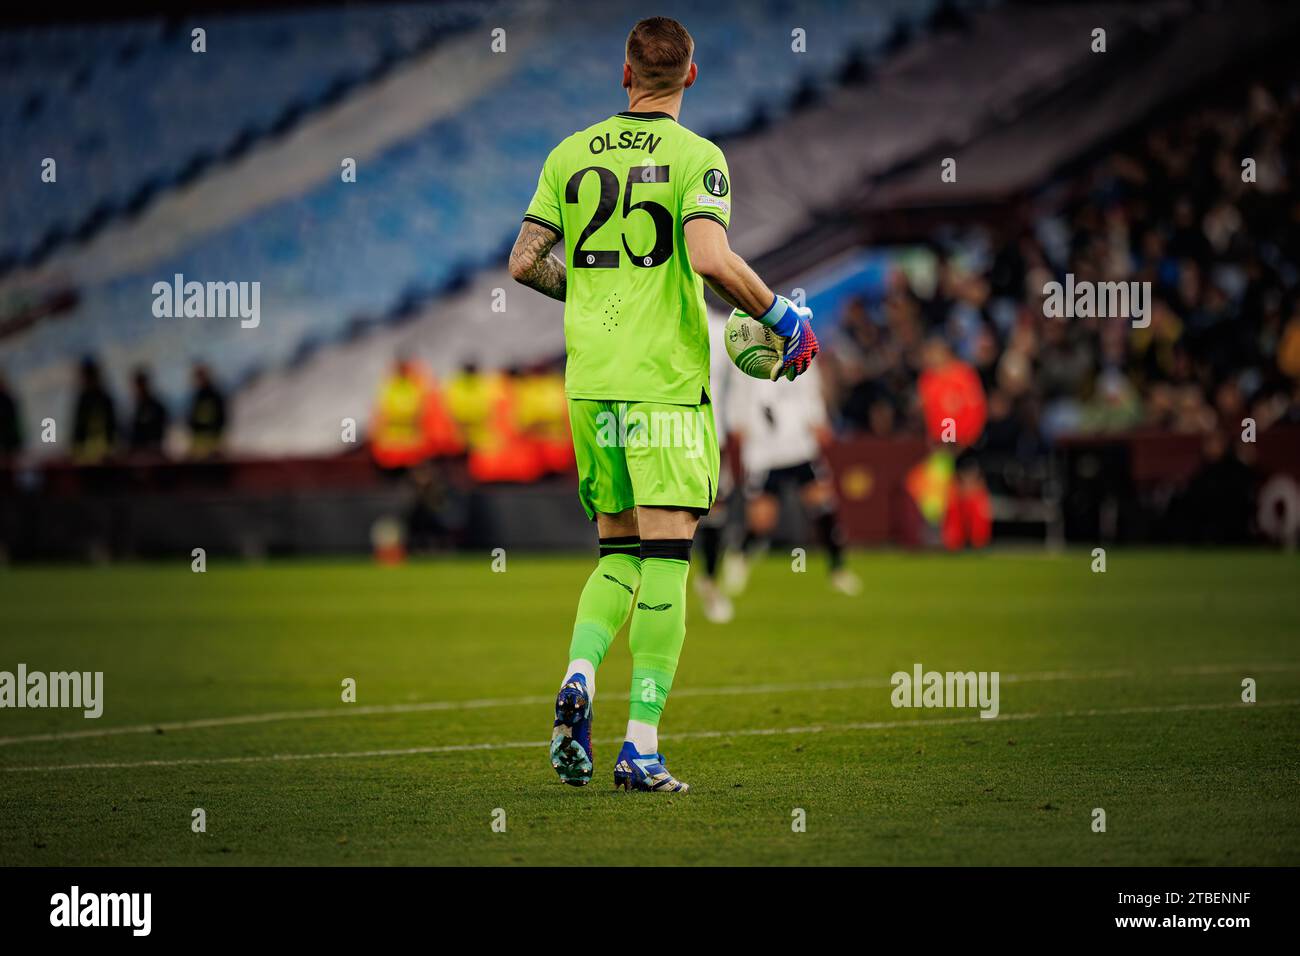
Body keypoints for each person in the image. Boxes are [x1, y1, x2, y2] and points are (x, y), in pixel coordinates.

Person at [509, 16, 819, 793]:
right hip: (663, 385)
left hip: (592, 384)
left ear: (624, 73)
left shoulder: (568, 153)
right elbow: (710, 258)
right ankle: (639, 745)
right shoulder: (697, 157)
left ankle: (579, 674)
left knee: (616, 555)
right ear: (689, 76)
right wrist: (783, 316)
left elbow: (523, 263)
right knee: (668, 562)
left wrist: (594, 287)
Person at [723, 360, 861, 597]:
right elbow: (738, 391)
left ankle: (837, 570)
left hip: (799, 444)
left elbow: (811, 388)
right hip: (764, 449)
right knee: (763, 518)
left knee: (823, 504)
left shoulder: (801, 346)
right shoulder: (747, 352)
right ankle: (740, 557)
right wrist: (736, 421)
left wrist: (819, 420)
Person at [72, 357, 117, 464]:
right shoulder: (83, 400)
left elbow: (112, 429)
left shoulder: (104, 399)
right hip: (85, 459)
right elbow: (77, 431)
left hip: (105, 459)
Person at [187, 363, 226, 459]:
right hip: (198, 444)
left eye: (201, 376)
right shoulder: (196, 397)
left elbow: (221, 419)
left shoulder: (215, 396)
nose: (199, 380)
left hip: (213, 444)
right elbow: (191, 419)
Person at [128, 368, 169, 455]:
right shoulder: (137, 406)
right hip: (140, 451)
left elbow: (159, 429)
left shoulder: (155, 406)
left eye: (139, 385)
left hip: (152, 451)